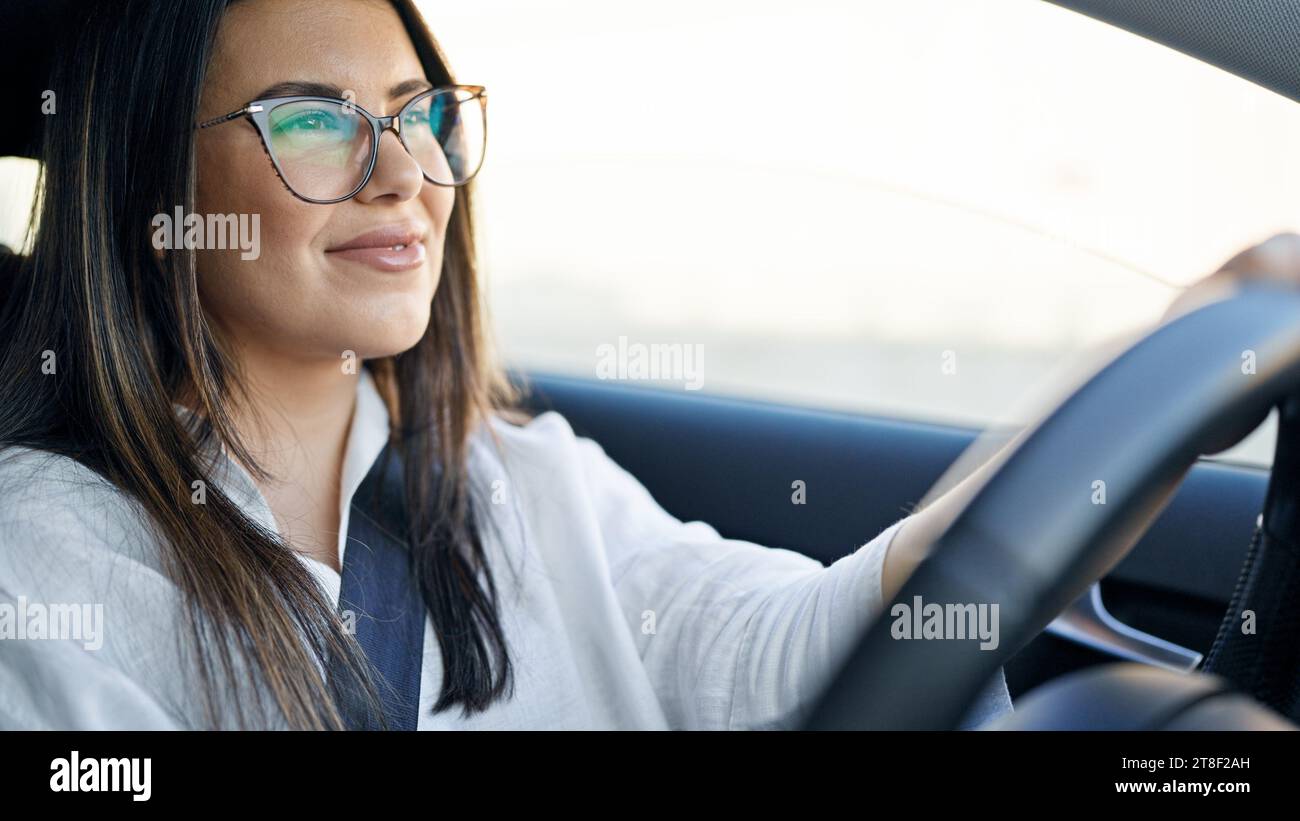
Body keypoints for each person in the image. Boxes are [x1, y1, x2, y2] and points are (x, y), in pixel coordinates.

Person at [0, 0, 1283, 731]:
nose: (404, 174)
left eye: (422, 112)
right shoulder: (43, 567)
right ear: (152, 179)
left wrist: (1151, 370)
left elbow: (812, 639)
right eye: (312, 120)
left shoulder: (512, 478)